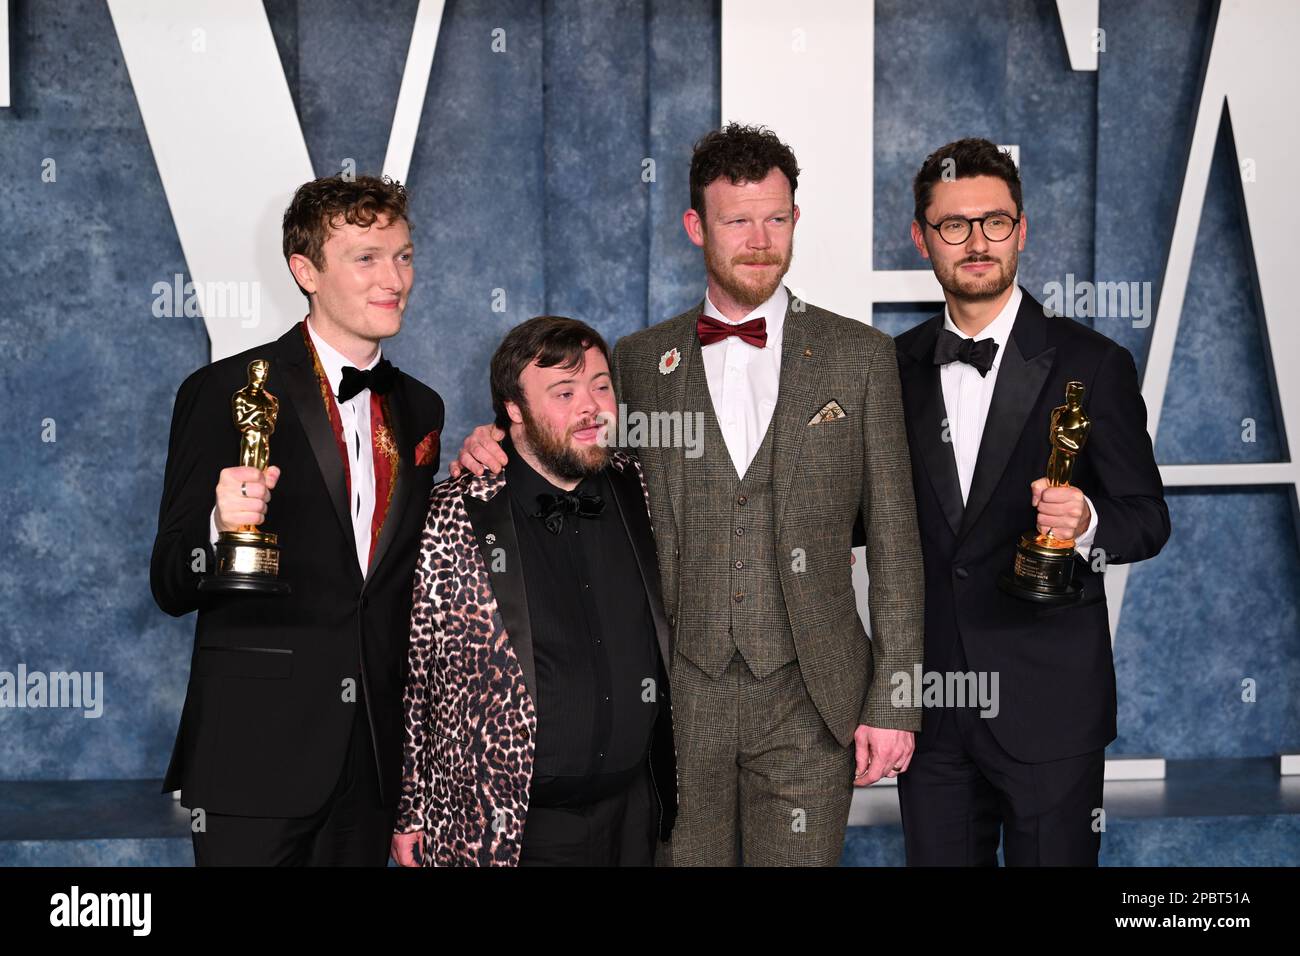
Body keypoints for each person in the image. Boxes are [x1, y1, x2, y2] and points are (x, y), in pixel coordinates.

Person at [453, 125, 924, 866]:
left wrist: (895, 699)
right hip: (673, 699)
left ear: (797, 218)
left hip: (814, 698)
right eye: (737, 220)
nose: (760, 238)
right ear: (696, 227)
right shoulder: (638, 361)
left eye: (776, 217)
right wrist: (496, 441)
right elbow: (572, 451)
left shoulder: (860, 358)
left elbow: (896, 541)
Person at [150, 174, 445, 865]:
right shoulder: (224, 390)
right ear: (305, 271)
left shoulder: (421, 408)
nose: (393, 277)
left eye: (402, 255)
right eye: (366, 258)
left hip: (375, 758)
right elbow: (169, 581)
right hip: (254, 756)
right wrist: (220, 530)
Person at [892, 137, 1169, 865]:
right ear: (921, 238)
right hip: (932, 715)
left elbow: (1148, 518)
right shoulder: (889, 369)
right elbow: (866, 521)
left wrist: (1087, 522)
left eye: (995, 221)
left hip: (1050, 711)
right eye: (954, 224)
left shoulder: (1094, 363)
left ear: (1023, 230)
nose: (977, 241)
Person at [391, 316, 675, 866]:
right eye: (564, 393)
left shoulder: (641, 487)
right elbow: (415, 671)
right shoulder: (456, 510)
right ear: (512, 410)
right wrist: (411, 807)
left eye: (600, 385)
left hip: (633, 817)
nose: (591, 407)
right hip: (509, 826)